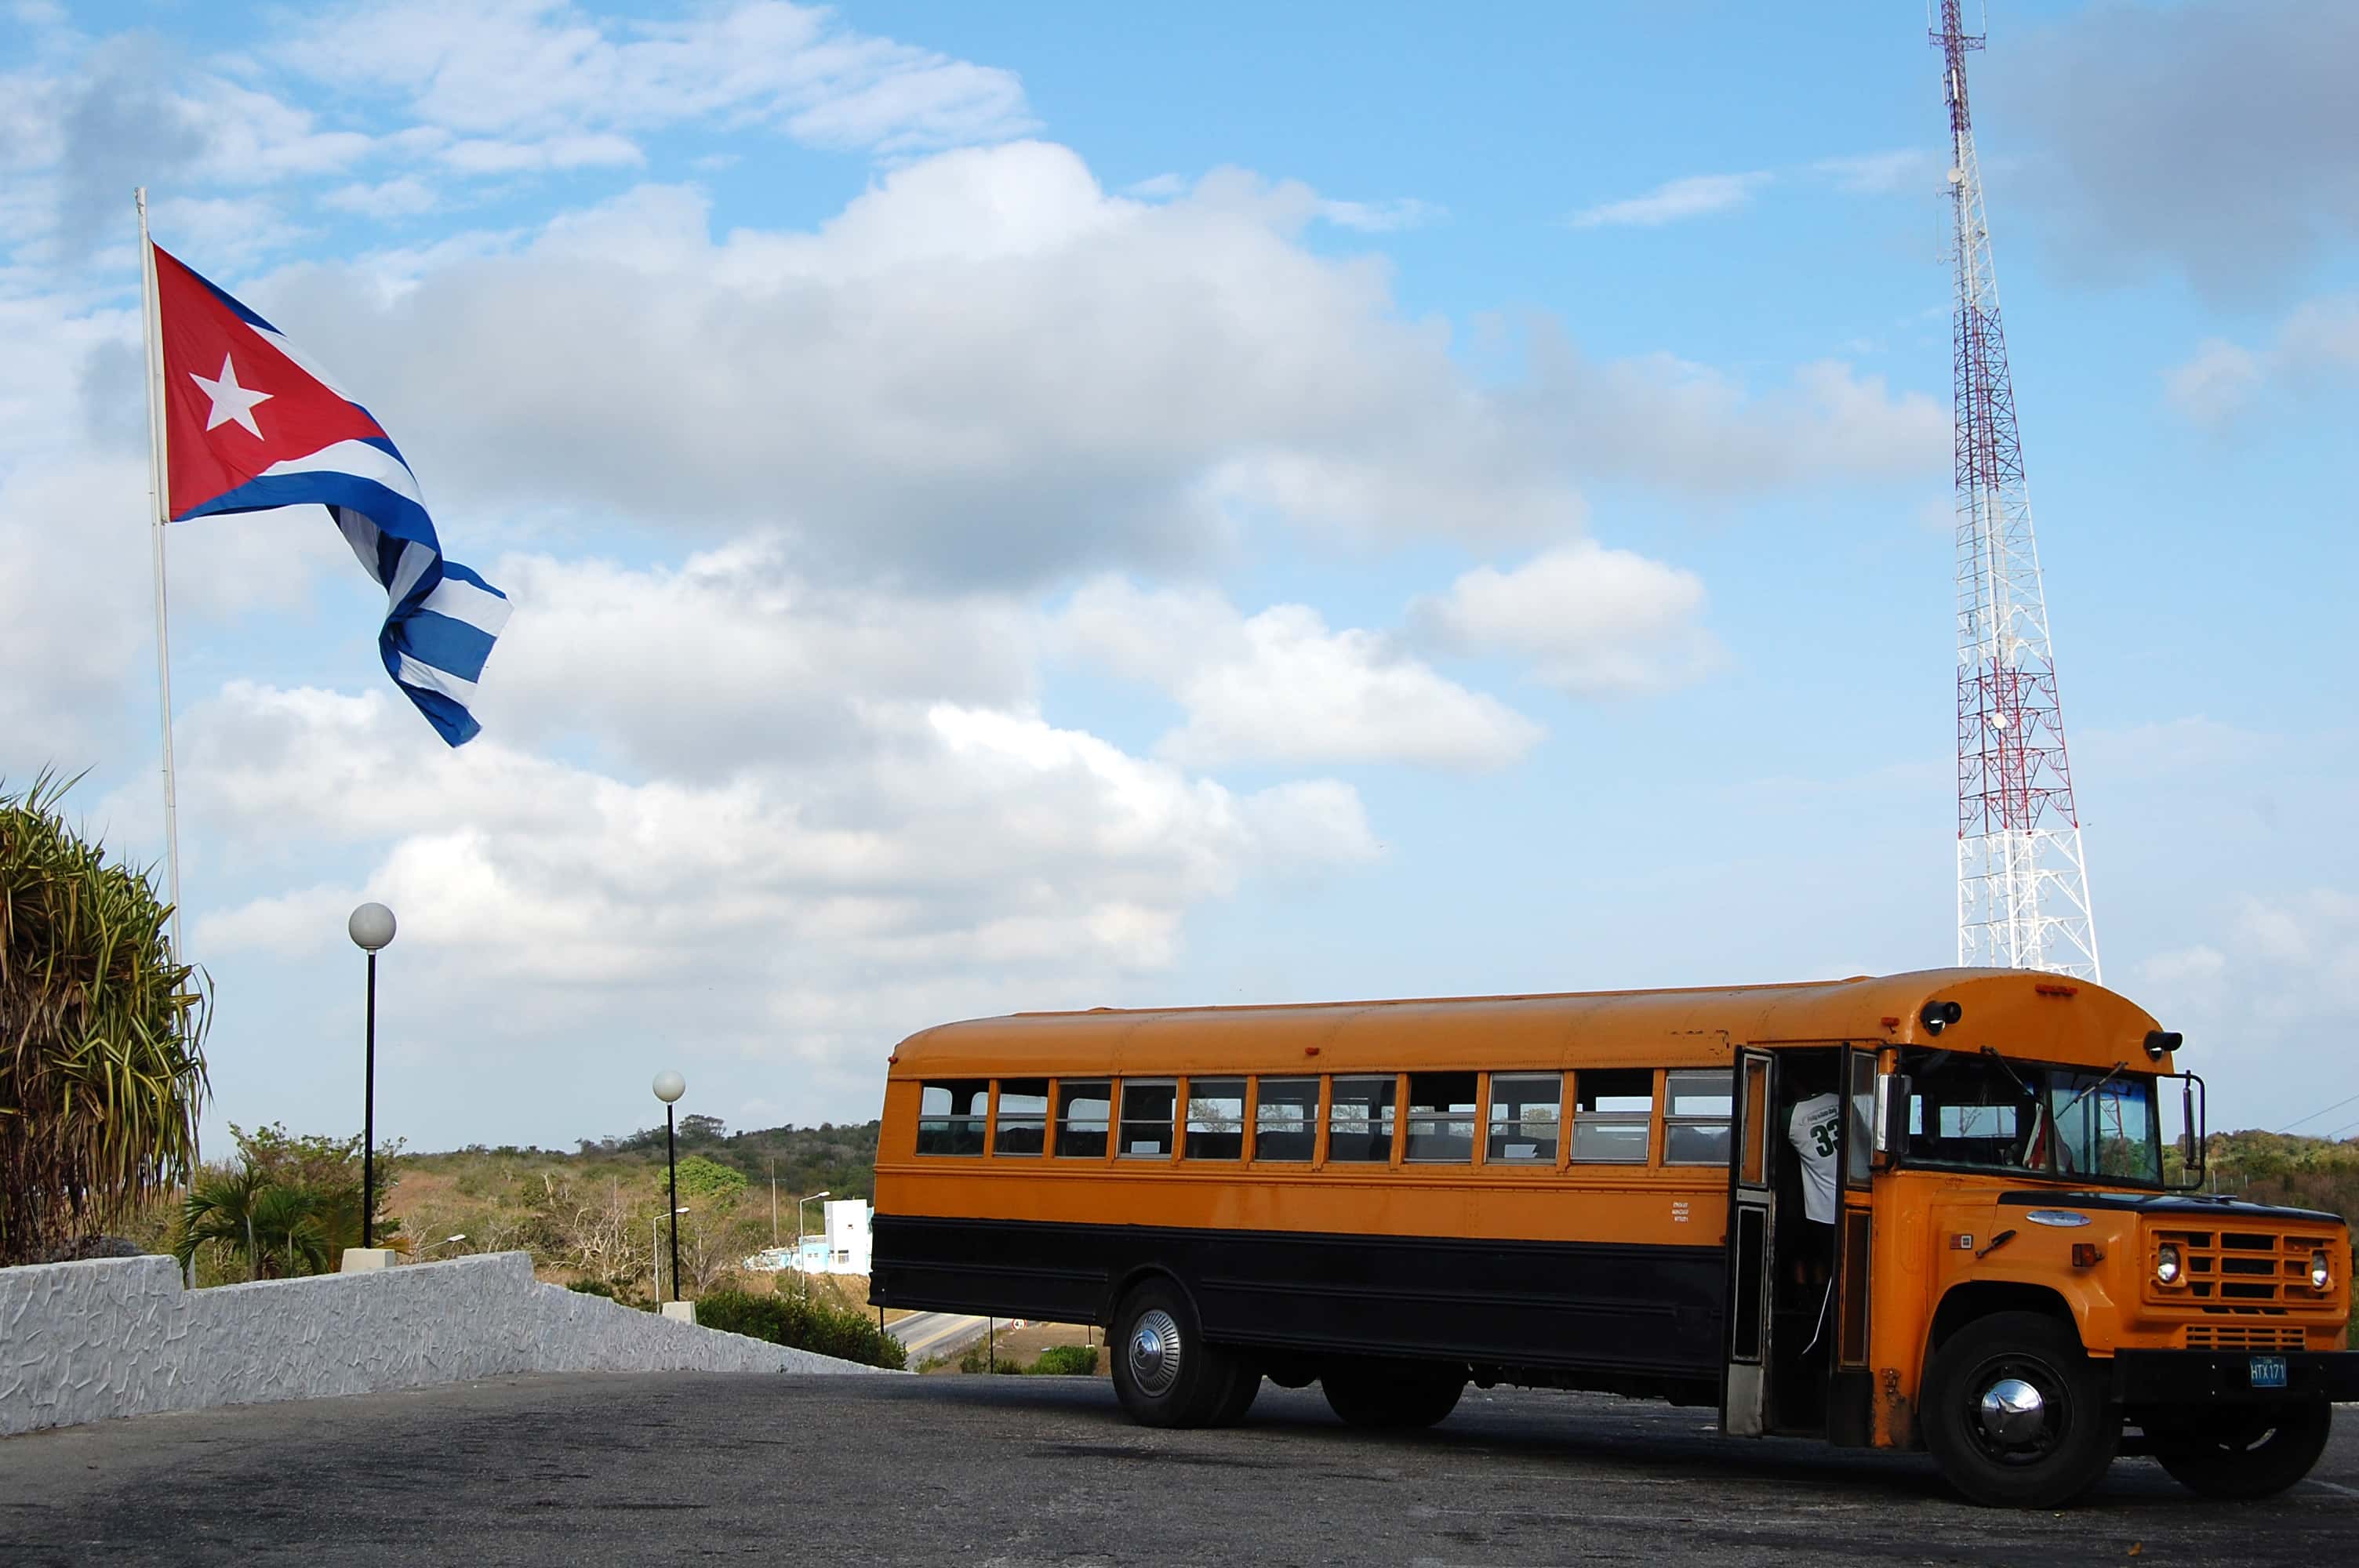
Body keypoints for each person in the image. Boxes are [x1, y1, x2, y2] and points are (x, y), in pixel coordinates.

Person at [1787, 1087, 1841, 1354]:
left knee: (1805, 1252)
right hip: (1853, 1200)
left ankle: (1805, 1302)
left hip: (1817, 1210)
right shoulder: (1840, 1100)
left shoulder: (1792, 1117)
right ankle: (1824, 1304)